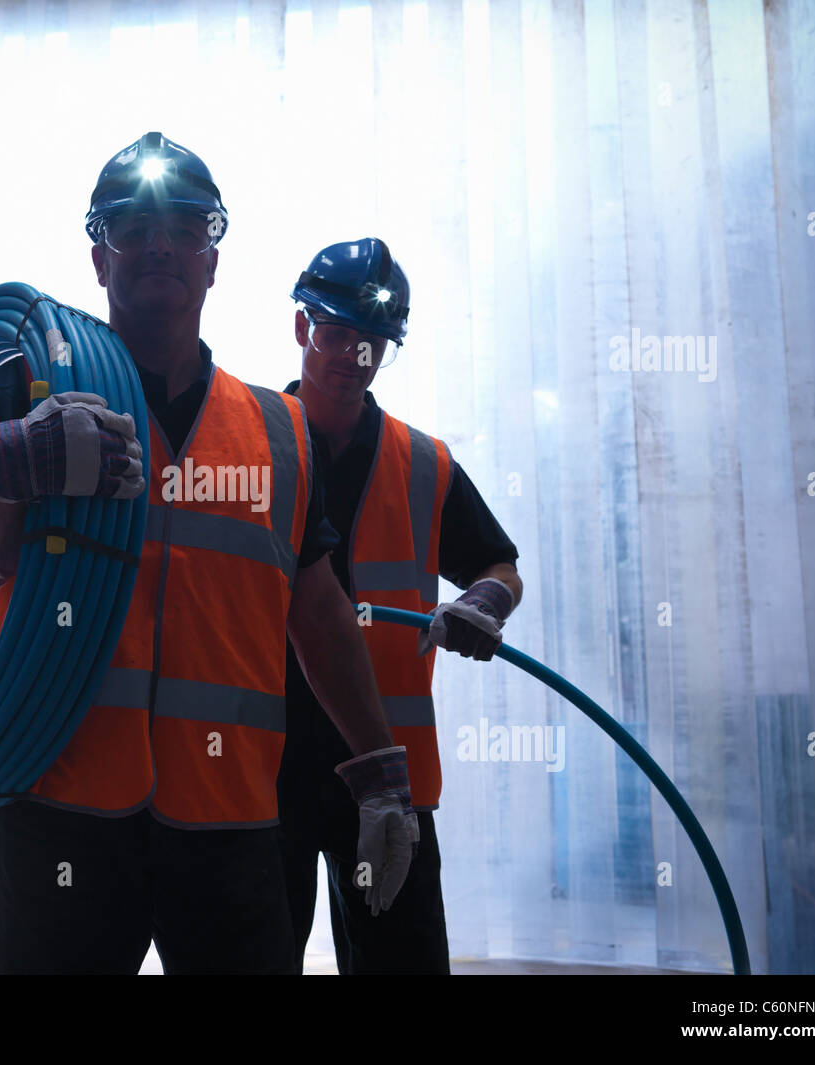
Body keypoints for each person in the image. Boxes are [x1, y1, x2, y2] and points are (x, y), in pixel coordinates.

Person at [0, 136, 420, 975]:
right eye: (132, 227)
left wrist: (381, 771)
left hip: (230, 824)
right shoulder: (32, 388)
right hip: (62, 811)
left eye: (186, 227)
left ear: (213, 261)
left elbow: (319, 614)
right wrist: (9, 469)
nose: (159, 243)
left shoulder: (280, 434)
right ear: (99, 257)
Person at [276, 237, 524, 974]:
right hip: (263, 767)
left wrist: (484, 600)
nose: (351, 358)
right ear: (301, 329)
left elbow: (499, 564)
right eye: (336, 335)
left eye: (371, 344)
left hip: (383, 772)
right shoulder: (250, 447)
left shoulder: (423, 465)